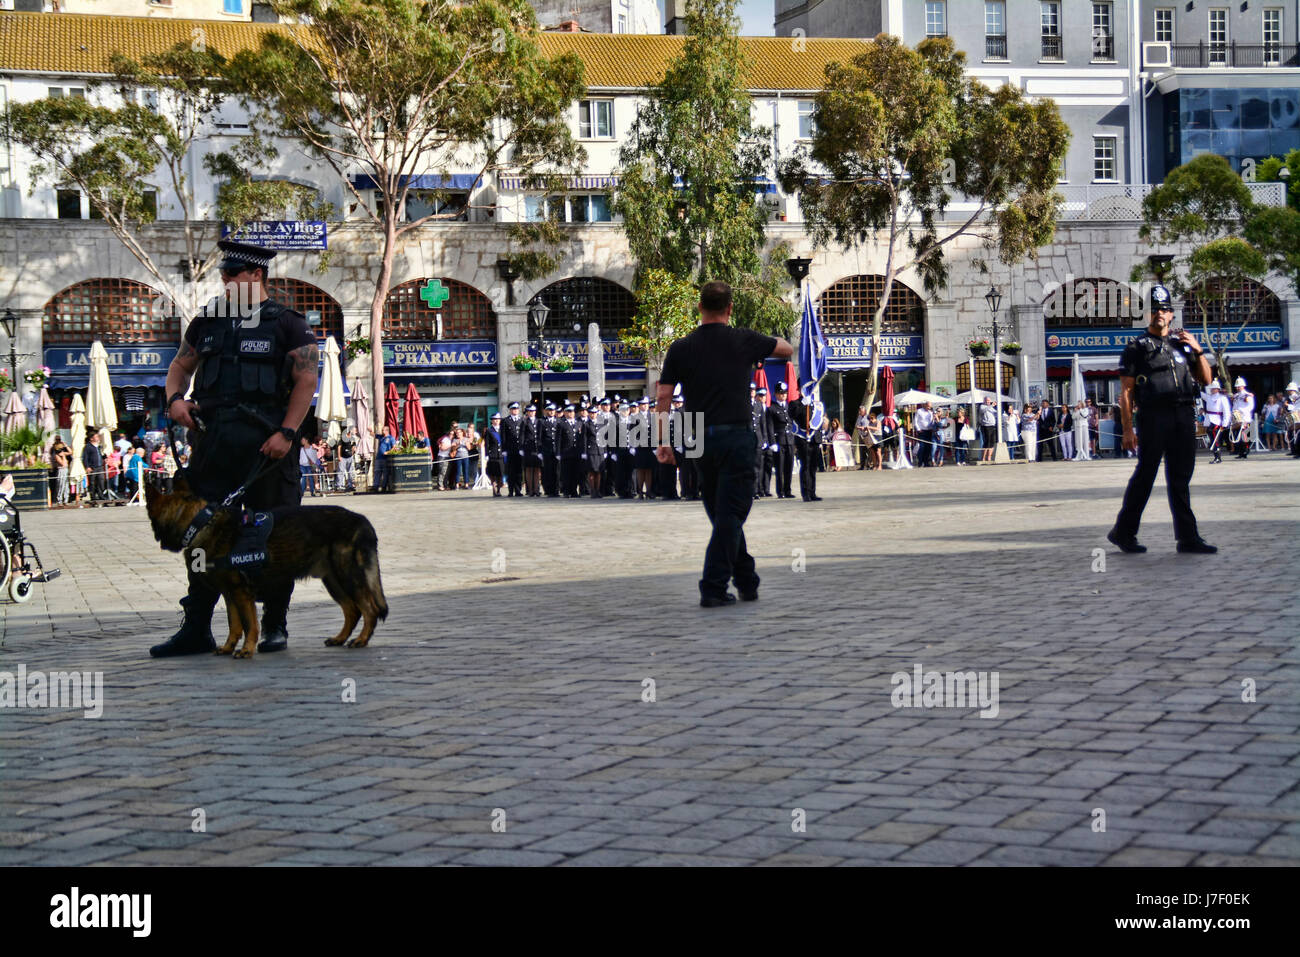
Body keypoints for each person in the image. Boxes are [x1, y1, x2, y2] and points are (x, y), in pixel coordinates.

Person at [152, 239, 317, 658]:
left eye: (232, 273)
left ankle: (275, 624)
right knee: (203, 535)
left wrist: (288, 432)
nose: (224, 280)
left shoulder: (287, 324)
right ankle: (196, 629)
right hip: (213, 444)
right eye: (223, 274)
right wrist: (175, 401)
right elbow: (179, 367)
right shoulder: (208, 322)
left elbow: (307, 381)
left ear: (256, 275)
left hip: (267, 448)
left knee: (277, 532)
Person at [656, 280, 793, 606]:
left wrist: (663, 442)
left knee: (722, 514)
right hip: (736, 436)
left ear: (699, 307)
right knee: (730, 513)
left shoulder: (680, 348)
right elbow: (786, 349)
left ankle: (746, 581)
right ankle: (713, 587)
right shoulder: (743, 339)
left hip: (698, 437)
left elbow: (663, 396)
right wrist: (759, 348)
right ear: (730, 308)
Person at [1108, 284, 1216, 555]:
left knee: (1181, 478)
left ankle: (1188, 538)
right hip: (1153, 416)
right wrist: (1128, 429)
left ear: (1171, 315)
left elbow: (1206, 379)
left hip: (1183, 414)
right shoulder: (1136, 348)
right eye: (1155, 309)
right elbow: (1127, 391)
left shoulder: (1183, 345)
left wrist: (1199, 350)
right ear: (1148, 315)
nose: (1160, 314)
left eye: (1165, 309)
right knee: (1146, 475)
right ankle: (1124, 531)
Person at [767, 382, 795, 497]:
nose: (783, 395)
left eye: (784, 393)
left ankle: (788, 490)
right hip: (779, 441)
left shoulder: (789, 407)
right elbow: (770, 427)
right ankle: (781, 491)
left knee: (789, 466)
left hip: (790, 441)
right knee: (780, 468)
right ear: (776, 394)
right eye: (780, 393)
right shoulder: (772, 409)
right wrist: (772, 442)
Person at [1201, 379, 1230, 464]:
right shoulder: (1209, 397)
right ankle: (1216, 456)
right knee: (1212, 438)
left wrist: (1225, 423)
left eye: (1214, 388)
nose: (1212, 389)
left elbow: (1226, 411)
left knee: (1215, 438)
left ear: (1217, 389)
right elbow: (1201, 395)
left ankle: (1218, 457)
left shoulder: (1222, 398)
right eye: (1211, 388)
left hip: (1217, 420)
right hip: (1209, 419)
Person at [501, 401, 524, 496]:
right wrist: (504, 450)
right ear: (510, 410)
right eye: (514, 409)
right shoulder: (506, 421)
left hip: (520, 449)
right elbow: (503, 436)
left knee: (519, 471)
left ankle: (518, 490)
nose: (515, 410)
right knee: (511, 471)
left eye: (517, 409)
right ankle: (511, 490)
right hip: (510, 449)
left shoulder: (522, 420)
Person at [1229, 376, 1255, 459]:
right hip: (1237, 418)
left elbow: (1251, 406)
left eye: (1239, 386)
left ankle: (1245, 451)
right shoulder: (1235, 396)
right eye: (1236, 386)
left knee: (1244, 435)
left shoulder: (1247, 395)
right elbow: (1234, 406)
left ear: (1243, 386)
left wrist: (1242, 412)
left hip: (1244, 417)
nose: (1237, 387)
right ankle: (1240, 452)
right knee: (1237, 435)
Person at [539, 402, 560, 497]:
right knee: (548, 471)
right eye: (549, 410)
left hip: (556, 450)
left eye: (553, 410)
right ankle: (549, 490)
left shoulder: (558, 421)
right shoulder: (542, 422)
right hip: (546, 450)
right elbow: (539, 438)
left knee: (557, 471)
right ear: (546, 411)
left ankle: (556, 490)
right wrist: (540, 451)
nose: (551, 412)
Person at [521, 403, 541, 496]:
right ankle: (530, 490)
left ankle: (536, 489)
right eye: (530, 411)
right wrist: (521, 447)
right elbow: (521, 436)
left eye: (533, 411)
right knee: (529, 469)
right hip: (528, 448)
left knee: (537, 469)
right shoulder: (524, 422)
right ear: (527, 413)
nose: (532, 413)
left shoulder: (539, 421)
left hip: (537, 448)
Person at [82, 431, 106, 502]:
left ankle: (101, 495)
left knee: (101, 481)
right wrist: (87, 467)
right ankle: (93, 496)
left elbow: (102, 455)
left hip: (100, 466)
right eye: (96, 437)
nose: (98, 438)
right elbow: (85, 457)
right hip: (92, 467)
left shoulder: (99, 446)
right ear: (91, 438)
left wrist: (105, 458)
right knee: (92, 482)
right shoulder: (88, 447)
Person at [485, 413, 504, 496]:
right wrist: (486, 454)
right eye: (494, 420)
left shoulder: (502, 429)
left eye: (498, 419)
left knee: (500, 473)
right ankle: (494, 489)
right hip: (493, 455)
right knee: (493, 473)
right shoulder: (489, 431)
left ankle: (499, 490)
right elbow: (487, 444)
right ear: (492, 421)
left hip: (501, 455)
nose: (496, 421)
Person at [49, 436, 72, 505]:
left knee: (66, 485)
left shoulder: (63, 452)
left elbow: (70, 452)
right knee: (61, 485)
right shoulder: (57, 455)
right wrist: (63, 456)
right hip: (61, 470)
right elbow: (63, 464)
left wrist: (66, 446)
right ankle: (59, 500)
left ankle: (66, 499)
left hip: (66, 470)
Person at [913, 401, 935, 467]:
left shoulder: (930, 412)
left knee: (928, 447)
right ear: (925, 405)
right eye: (928, 406)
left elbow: (931, 422)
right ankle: (920, 461)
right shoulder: (919, 411)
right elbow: (915, 421)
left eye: (930, 406)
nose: (929, 407)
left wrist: (934, 419)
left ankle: (926, 462)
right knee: (922, 447)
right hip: (921, 431)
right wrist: (918, 429)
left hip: (929, 431)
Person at [336, 426, 356, 491]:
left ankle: (350, 484)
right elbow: (339, 447)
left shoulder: (352, 438)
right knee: (341, 471)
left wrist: (352, 453)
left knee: (350, 471)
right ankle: (339, 485)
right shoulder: (343, 438)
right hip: (343, 457)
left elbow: (354, 446)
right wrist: (339, 456)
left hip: (350, 457)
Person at [978, 397, 997, 462]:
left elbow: (995, 412)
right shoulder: (982, 406)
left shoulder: (990, 407)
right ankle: (983, 457)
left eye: (989, 400)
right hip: (986, 426)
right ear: (984, 401)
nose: (988, 402)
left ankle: (989, 457)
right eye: (987, 400)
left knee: (992, 442)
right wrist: (991, 405)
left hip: (992, 425)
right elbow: (983, 410)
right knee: (987, 442)